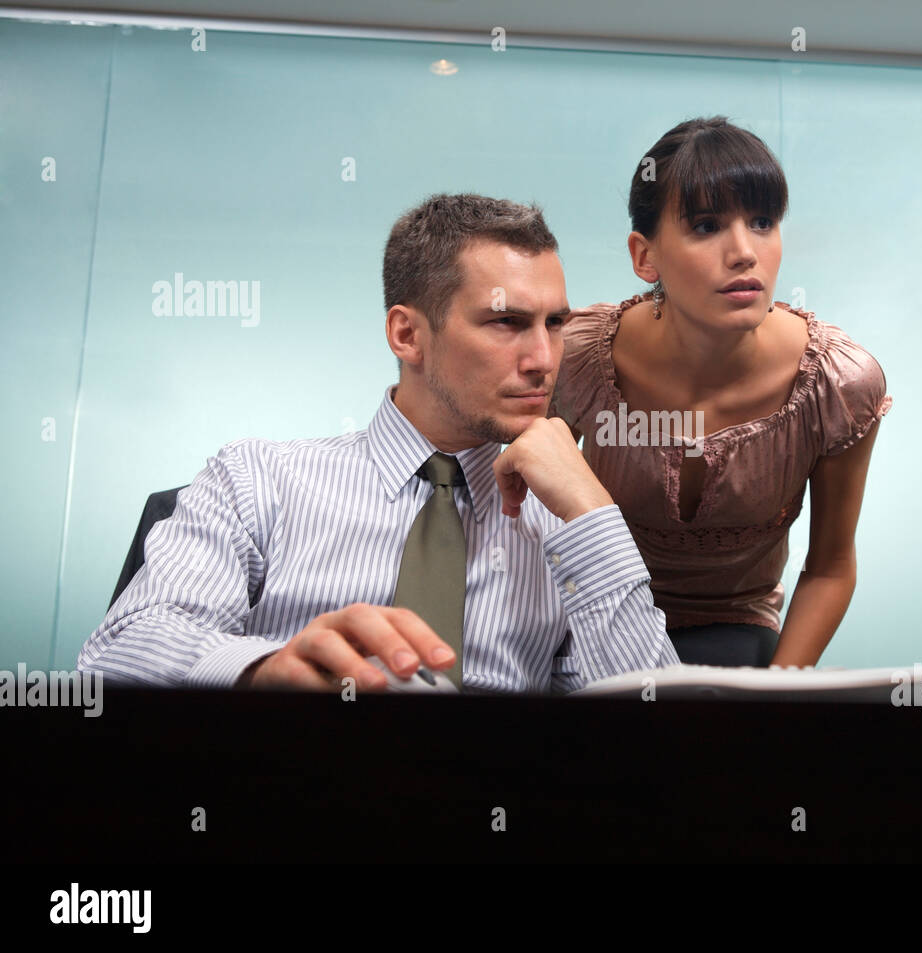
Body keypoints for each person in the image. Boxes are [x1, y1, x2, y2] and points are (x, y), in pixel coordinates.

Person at [79, 194, 680, 693]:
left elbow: (667, 733)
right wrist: (264, 671)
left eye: (555, 324)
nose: (544, 360)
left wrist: (591, 513)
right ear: (407, 334)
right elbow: (116, 654)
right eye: (507, 322)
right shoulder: (256, 479)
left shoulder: (565, 529)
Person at [550, 116, 892, 669]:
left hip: (737, 625)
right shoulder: (576, 357)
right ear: (645, 256)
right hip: (589, 612)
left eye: (762, 222)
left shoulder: (839, 384)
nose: (743, 252)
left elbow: (830, 568)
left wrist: (774, 695)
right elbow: (519, 511)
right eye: (707, 226)